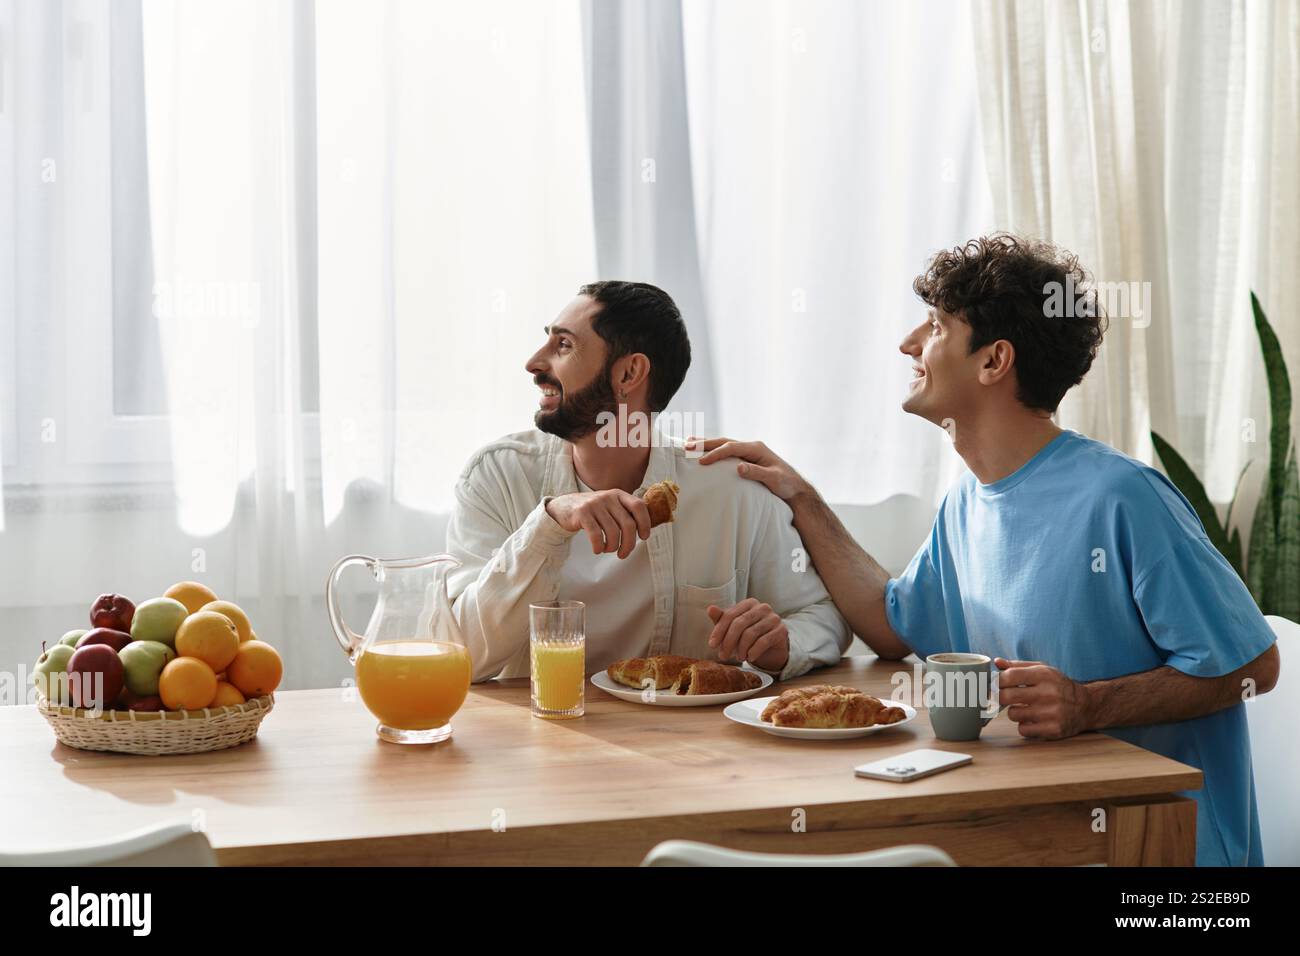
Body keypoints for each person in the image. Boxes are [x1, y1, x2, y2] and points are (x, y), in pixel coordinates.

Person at [694, 234, 1280, 866]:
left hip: (1166, 860)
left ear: (994, 361)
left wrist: (1089, 704)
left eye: (936, 326)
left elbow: (1254, 666)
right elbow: (893, 624)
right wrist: (803, 499)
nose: (907, 344)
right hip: (1050, 835)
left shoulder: (1123, 496)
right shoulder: (966, 503)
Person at [445, 280, 850, 683]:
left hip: (692, 744)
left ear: (629, 373)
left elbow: (824, 617)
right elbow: (462, 652)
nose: (534, 362)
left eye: (563, 345)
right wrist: (548, 523)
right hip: (544, 734)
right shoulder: (496, 477)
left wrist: (781, 646)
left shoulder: (734, 490)